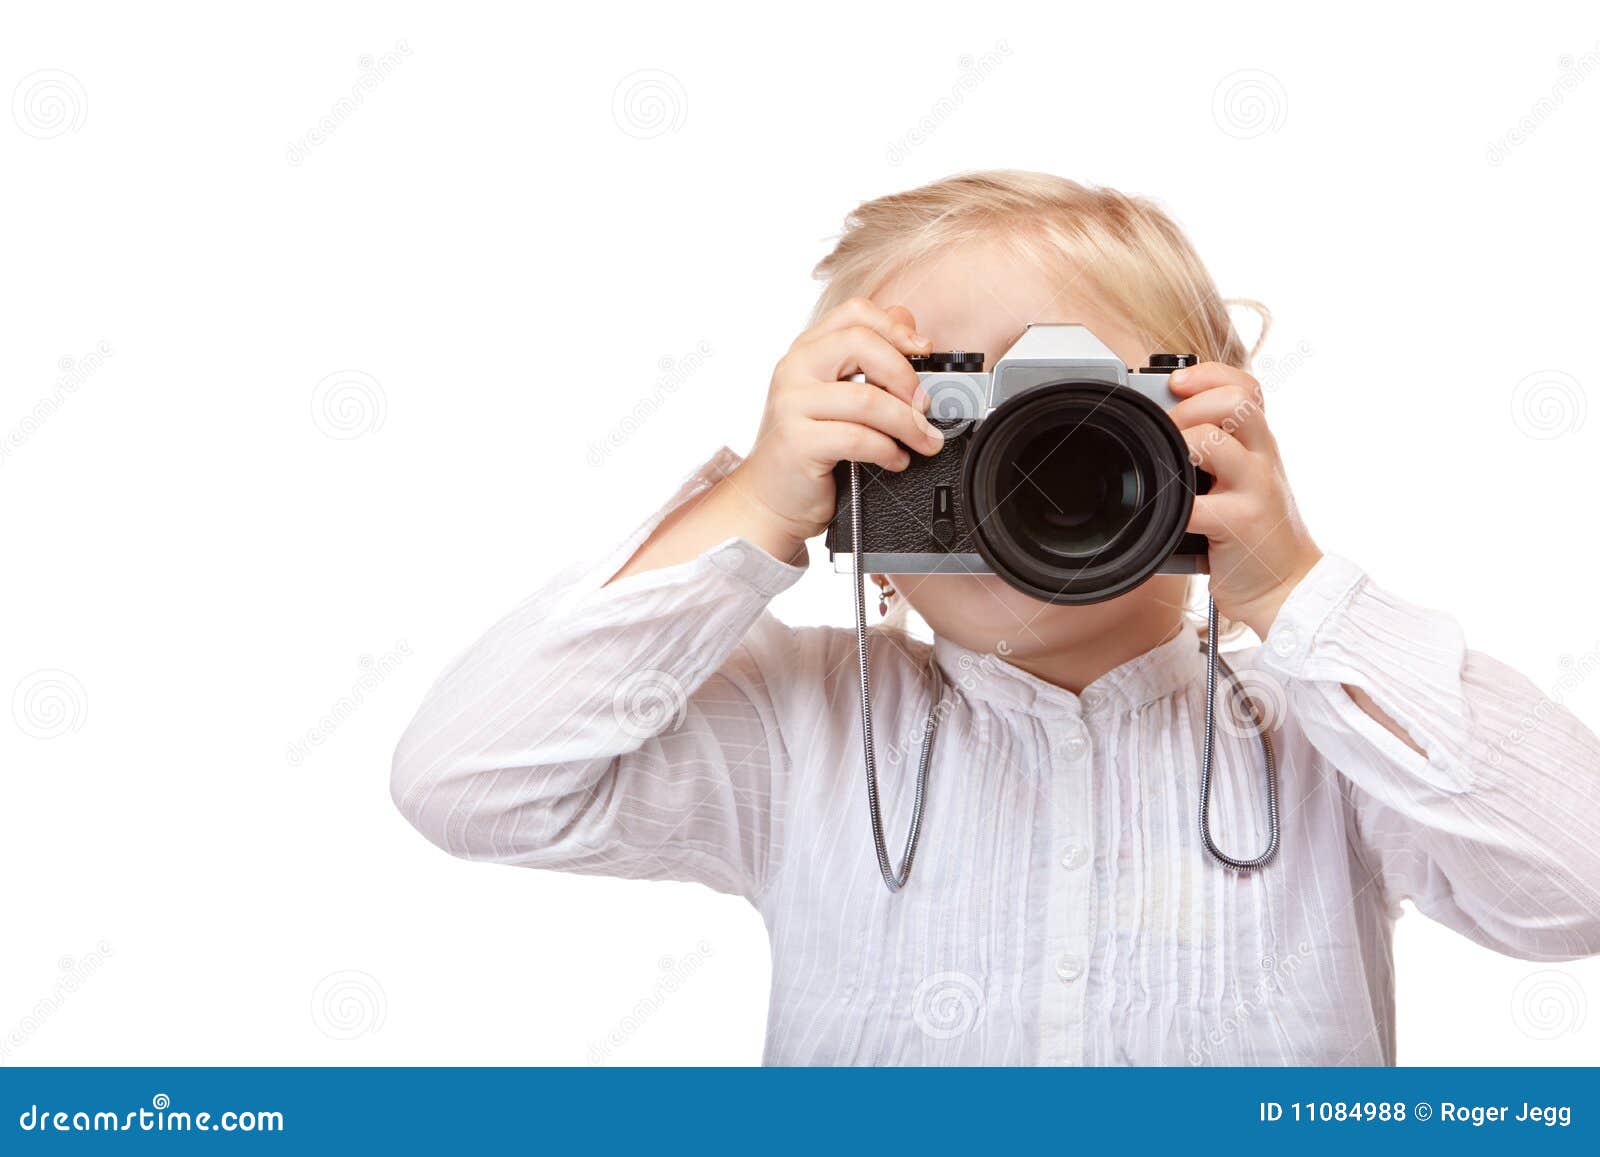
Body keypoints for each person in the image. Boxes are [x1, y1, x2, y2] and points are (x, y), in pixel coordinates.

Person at [391, 171, 1600, 1065]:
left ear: (1207, 440)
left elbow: (1578, 886)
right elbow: (468, 781)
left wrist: (1294, 592)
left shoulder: (1328, 731)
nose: (1026, 471)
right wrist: (755, 504)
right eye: (953, 415)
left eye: (1078, 417)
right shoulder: (807, 727)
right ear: (855, 472)